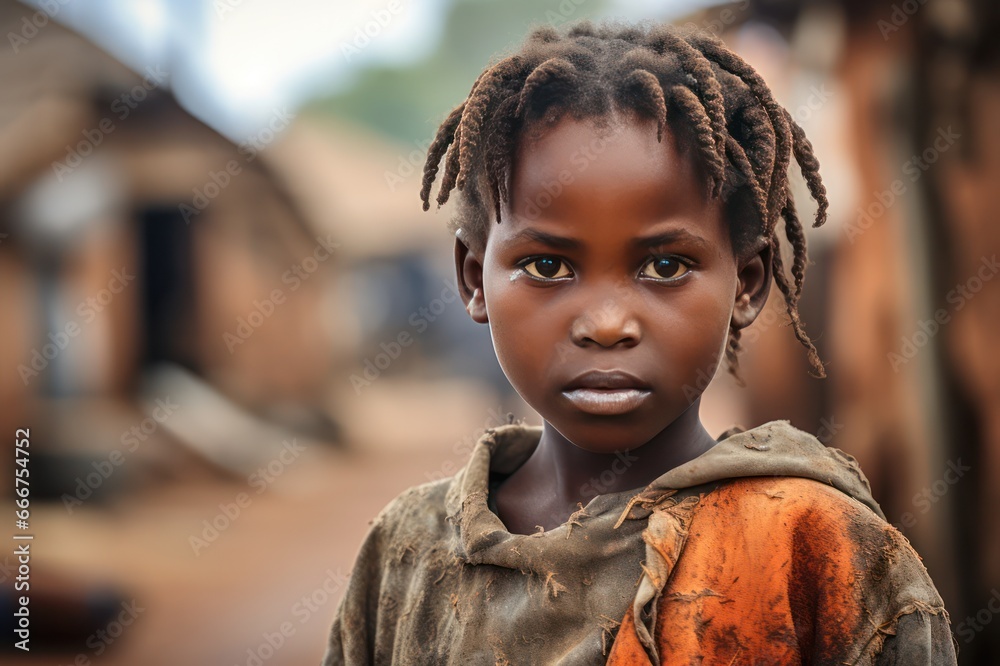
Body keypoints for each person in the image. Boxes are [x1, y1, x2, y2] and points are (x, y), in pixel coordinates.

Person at [322, 21, 957, 665]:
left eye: (664, 266)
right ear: (472, 279)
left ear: (747, 284)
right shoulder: (405, 556)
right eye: (548, 266)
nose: (605, 323)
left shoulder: (820, 552)